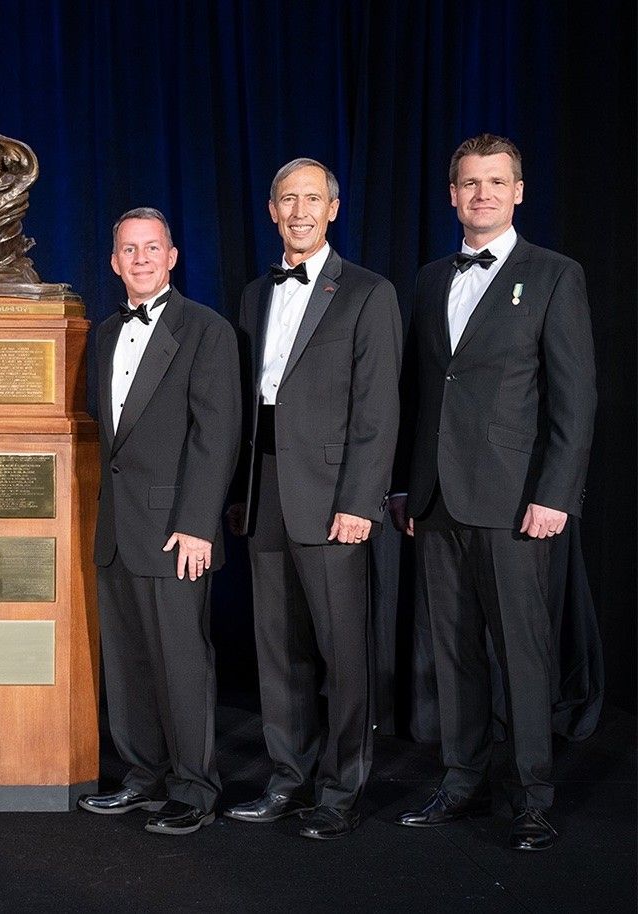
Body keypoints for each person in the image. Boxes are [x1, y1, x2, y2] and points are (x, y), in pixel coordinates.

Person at [389, 134, 596, 851]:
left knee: (524, 652)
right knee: (454, 652)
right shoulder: (426, 279)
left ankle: (533, 795)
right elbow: (418, 395)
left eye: (496, 181)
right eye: (469, 183)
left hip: (517, 504)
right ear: (452, 195)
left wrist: (555, 493)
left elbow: (576, 401)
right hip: (436, 501)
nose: (482, 194)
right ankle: (461, 780)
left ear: (518, 191)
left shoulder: (553, 275)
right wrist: (403, 490)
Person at [225, 159, 402, 839]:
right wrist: (241, 493)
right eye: (287, 200)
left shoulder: (367, 292)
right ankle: (288, 778)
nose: (299, 211)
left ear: (333, 208)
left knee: (342, 652)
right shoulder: (252, 295)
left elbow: (377, 409)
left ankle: (341, 791)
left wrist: (361, 500)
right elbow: (251, 405)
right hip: (266, 490)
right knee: (278, 648)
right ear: (272, 211)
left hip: (333, 497)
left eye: (312, 199)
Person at [77, 208, 240, 836]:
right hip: (117, 530)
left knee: (181, 662)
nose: (141, 259)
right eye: (129, 250)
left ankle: (194, 787)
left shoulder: (207, 330)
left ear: (172, 256)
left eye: (153, 248)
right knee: (127, 661)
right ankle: (141, 777)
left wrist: (199, 523)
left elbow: (216, 435)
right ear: (115, 262)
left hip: (177, 531)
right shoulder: (103, 334)